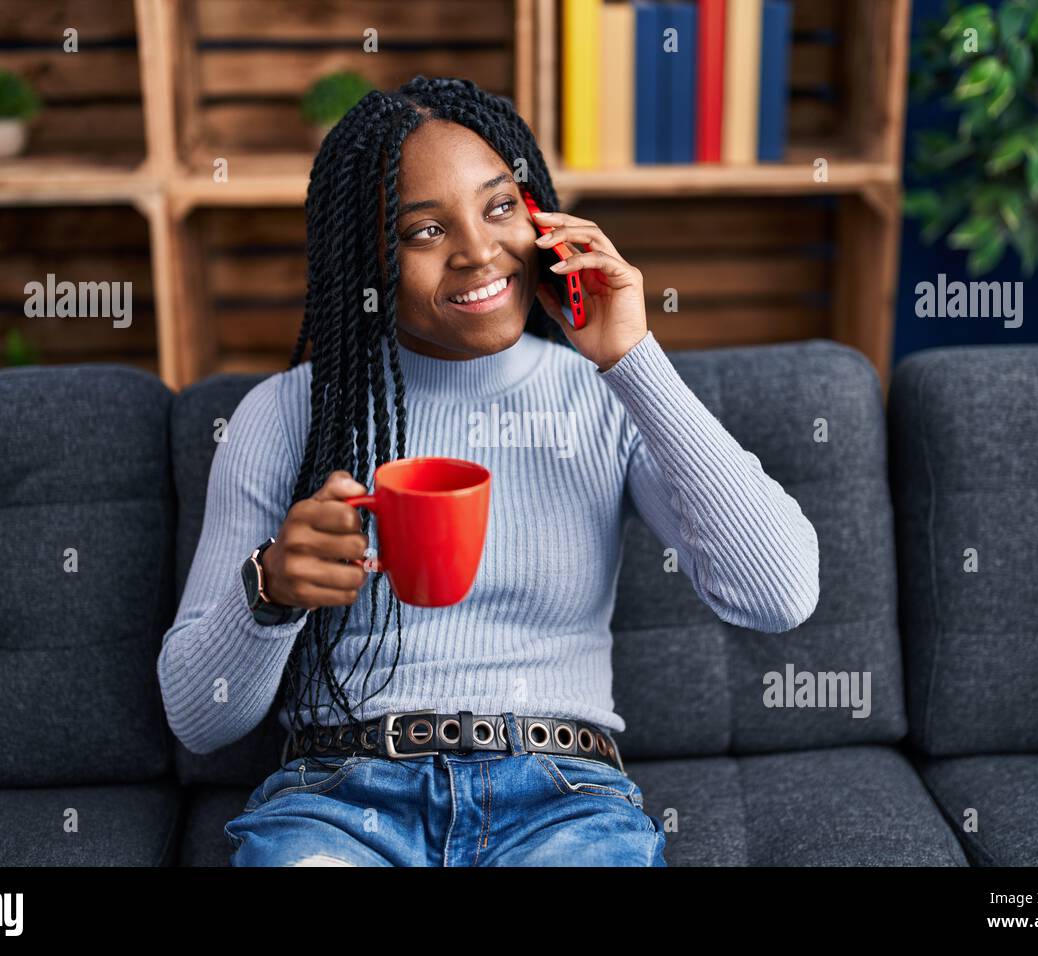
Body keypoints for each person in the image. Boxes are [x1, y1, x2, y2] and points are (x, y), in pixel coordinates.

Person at [157, 76, 820, 866]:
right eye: (423, 231)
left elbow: (780, 594)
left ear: (540, 212)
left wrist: (631, 360)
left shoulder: (601, 398)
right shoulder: (287, 414)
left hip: (562, 806)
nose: (477, 250)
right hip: (339, 802)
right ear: (365, 257)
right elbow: (199, 718)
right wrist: (270, 590)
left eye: (500, 206)